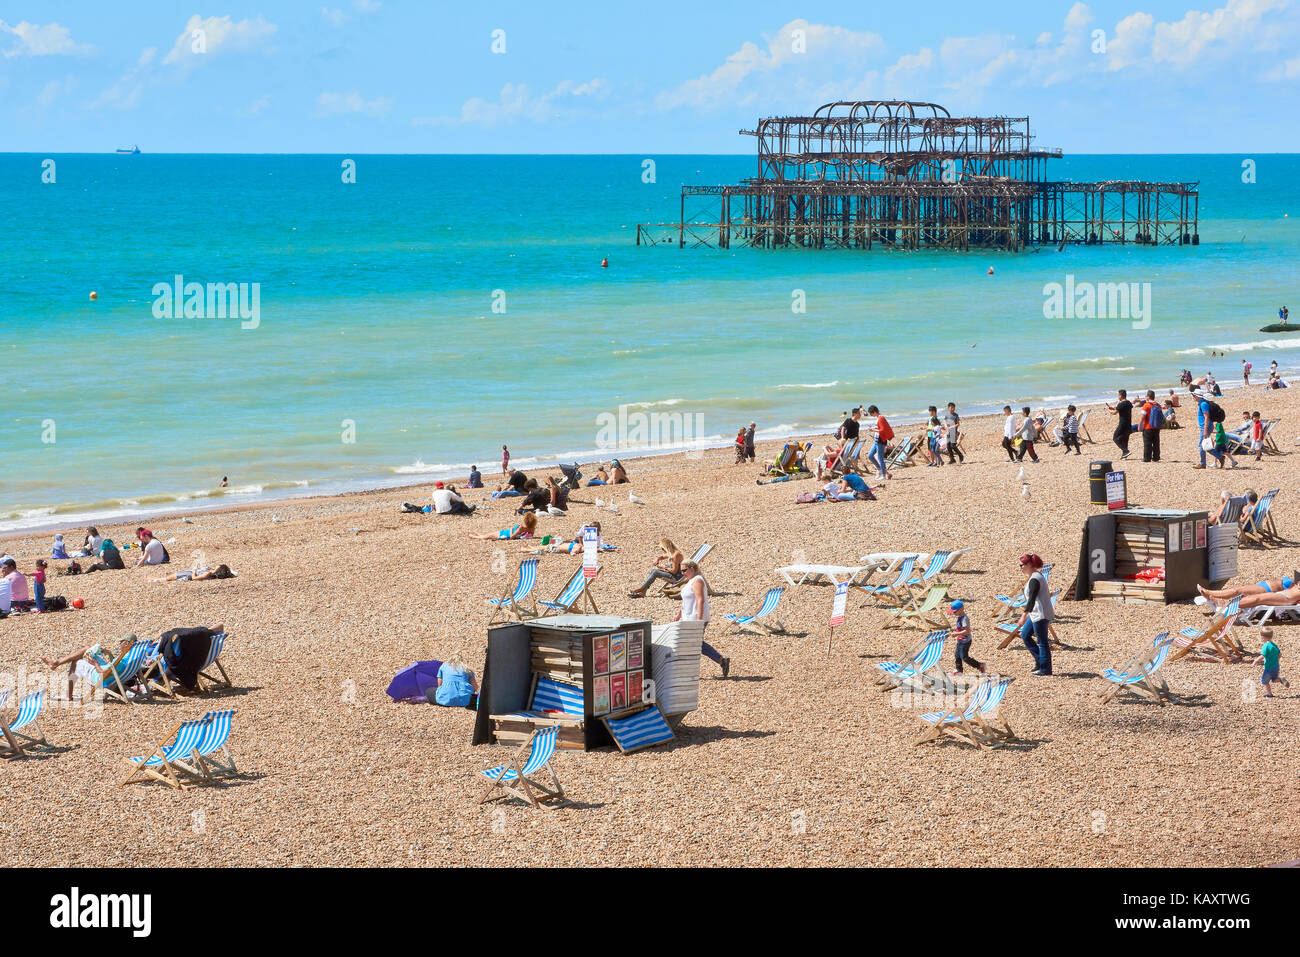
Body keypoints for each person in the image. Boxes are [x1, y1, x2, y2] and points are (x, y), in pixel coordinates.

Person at [43, 635, 139, 700]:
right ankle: (56, 662)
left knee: (76, 662)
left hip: (102, 677)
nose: (120, 644)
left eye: (121, 642)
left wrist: (95, 663)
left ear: (126, 643)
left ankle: (68, 694)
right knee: (87, 649)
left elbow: (103, 673)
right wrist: (108, 653)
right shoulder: (134, 656)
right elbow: (114, 666)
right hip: (115, 675)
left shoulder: (123, 657)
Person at [676, 560, 728, 677]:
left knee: (692, 644)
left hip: (697, 618)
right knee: (695, 643)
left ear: (692, 569)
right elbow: (686, 600)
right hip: (689, 618)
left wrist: (699, 620)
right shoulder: (690, 581)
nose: (683, 573)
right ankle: (721, 660)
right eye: (681, 571)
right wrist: (679, 614)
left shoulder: (697, 580)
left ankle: (690, 671)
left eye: (684, 570)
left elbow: (700, 600)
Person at [1013, 554, 1054, 676]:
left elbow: (1031, 600)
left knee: (1042, 642)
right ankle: (1039, 662)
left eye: (1022, 565)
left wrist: (1023, 616)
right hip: (1036, 613)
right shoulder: (1036, 576)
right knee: (1025, 635)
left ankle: (1046, 669)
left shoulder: (1035, 579)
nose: (1020, 567)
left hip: (1040, 614)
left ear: (1029, 565)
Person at [1197, 573, 1298, 605]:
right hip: (1266, 587)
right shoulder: (1295, 583)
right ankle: (1212, 594)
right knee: (1238, 590)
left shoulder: (1294, 590)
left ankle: (1224, 603)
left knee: (1254, 598)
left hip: (1278, 594)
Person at [948, 600, 984, 675]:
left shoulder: (964, 618)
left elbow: (967, 631)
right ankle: (959, 670)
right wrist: (955, 630)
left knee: (964, 657)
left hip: (965, 641)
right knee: (957, 655)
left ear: (961, 609)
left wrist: (956, 633)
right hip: (960, 640)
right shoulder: (960, 617)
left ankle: (980, 665)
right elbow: (961, 628)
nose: (953, 613)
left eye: (955, 611)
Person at [1253, 629, 1288, 698]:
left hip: (1268, 668)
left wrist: (1255, 661)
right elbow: (1280, 655)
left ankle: (1269, 694)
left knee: (1265, 681)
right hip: (1276, 666)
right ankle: (1280, 679)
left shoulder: (1266, 646)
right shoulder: (1274, 645)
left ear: (1263, 637)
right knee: (1274, 679)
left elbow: (1262, 656)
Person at [466, 512, 538, 541]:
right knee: (488, 535)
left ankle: (473, 536)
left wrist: (510, 529)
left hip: (505, 533)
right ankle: (479, 534)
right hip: (505, 532)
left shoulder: (521, 528)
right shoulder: (532, 529)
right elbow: (530, 535)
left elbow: (511, 537)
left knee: (487, 536)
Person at [866, 405, 893, 479]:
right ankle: (880, 470)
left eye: (871, 414)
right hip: (876, 440)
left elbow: (883, 430)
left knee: (880, 458)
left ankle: (884, 475)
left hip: (881, 440)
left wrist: (873, 430)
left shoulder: (881, 418)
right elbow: (880, 428)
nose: (871, 415)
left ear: (874, 412)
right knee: (870, 456)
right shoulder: (878, 418)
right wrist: (874, 428)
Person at [1107, 389, 1133, 459]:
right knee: (1125, 439)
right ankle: (1124, 455)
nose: (1118, 397)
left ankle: (1126, 451)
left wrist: (1108, 410)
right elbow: (1119, 408)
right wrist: (1112, 407)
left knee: (1115, 438)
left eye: (1118, 395)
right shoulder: (1129, 403)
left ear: (1120, 396)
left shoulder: (1121, 404)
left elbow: (1114, 413)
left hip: (1122, 424)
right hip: (1128, 424)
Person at [1192, 387, 1213, 469]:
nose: (1193, 397)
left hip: (1205, 427)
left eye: (1194, 395)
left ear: (1198, 396)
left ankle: (1203, 464)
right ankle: (1220, 456)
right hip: (1205, 427)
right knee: (1205, 445)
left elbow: (1206, 417)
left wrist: (1205, 430)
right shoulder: (1202, 403)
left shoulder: (1203, 404)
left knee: (1201, 445)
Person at [152, 563, 235, 583]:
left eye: (219, 565)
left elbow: (194, 578)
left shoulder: (209, 573)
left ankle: (154, 579)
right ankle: (154, 579)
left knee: (166, 579)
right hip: (188, 574)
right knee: (167, 578)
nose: (217, 565)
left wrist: (194, 570)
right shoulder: (211, 572)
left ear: (219, 569)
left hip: (188, 575)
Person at [1140, 390, 1161, 462]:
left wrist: (1140, 425)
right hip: (1156, 427)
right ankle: (1156, 457)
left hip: (1147, 427)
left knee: (1147, 443)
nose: (1145, 397)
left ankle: (1147, 458)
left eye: (1146, 396)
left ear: (1148, 396)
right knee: (1156, 443)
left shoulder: (1146, 405)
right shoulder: (1158, 405)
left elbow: (1142, 417)